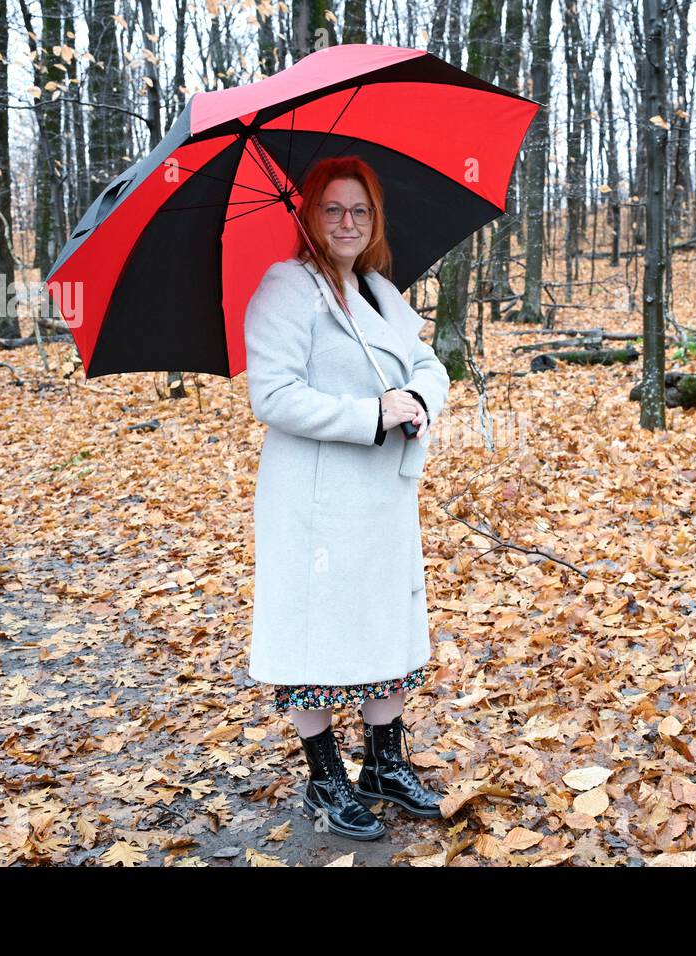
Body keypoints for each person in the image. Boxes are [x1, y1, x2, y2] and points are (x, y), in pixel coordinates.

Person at [242, 156, 451, 841]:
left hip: (381, 498)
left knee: (384, 619)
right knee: (317, 632)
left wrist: (418, 398)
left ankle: (383, 764)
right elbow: (270, 395)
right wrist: (368, 413)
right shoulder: (285, 287)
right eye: (332, 209)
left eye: (359, 210)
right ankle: (325, 778)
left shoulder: (377, 292)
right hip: (317, 501)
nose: (347, 222)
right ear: (309, 216)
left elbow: (427, 363)